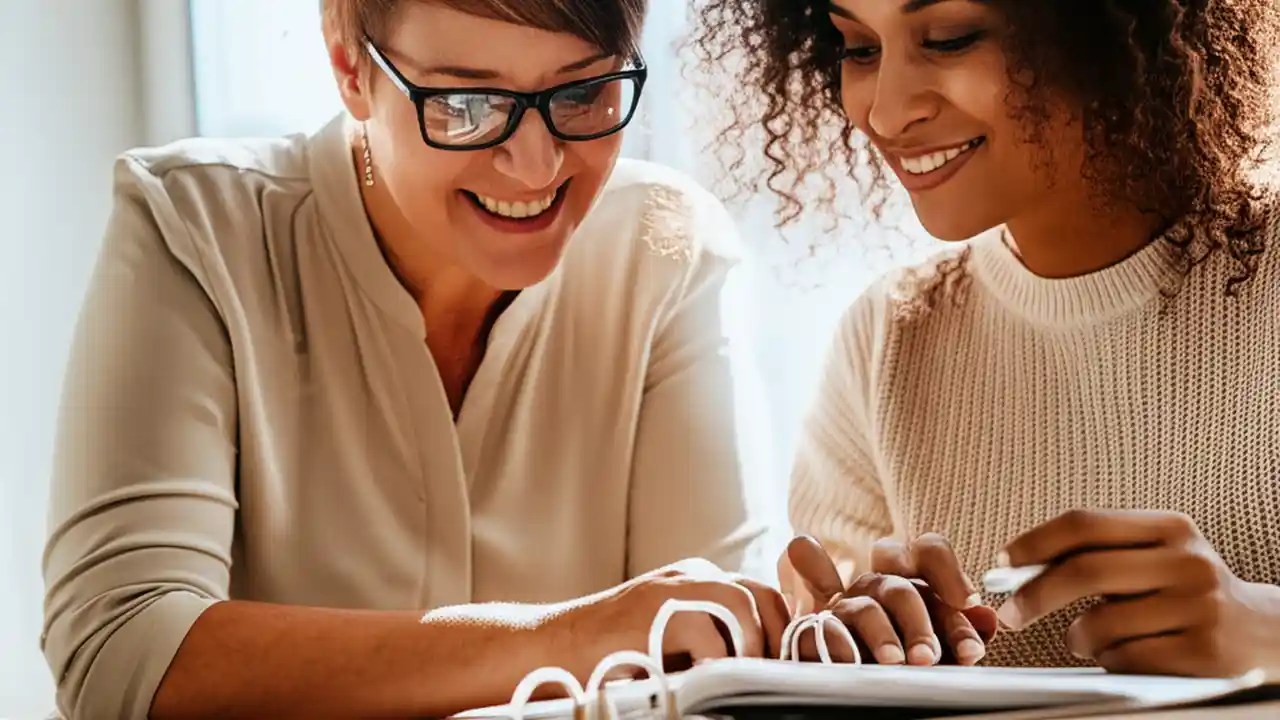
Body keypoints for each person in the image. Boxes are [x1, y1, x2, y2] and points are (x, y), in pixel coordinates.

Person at [41, 2, 789, 718]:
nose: (535, 167)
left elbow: (709, 652)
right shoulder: (199, 227)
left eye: (584, 91)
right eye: (466, 104)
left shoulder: (665, 248)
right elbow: (120, 652)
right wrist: (574, 636)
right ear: (347, 61)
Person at [695, 0, 1280, 675]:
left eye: (950, 38)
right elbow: (820, 667)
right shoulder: (888, 340)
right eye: (858, 47)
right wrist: (870, 649)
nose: (884, 113)